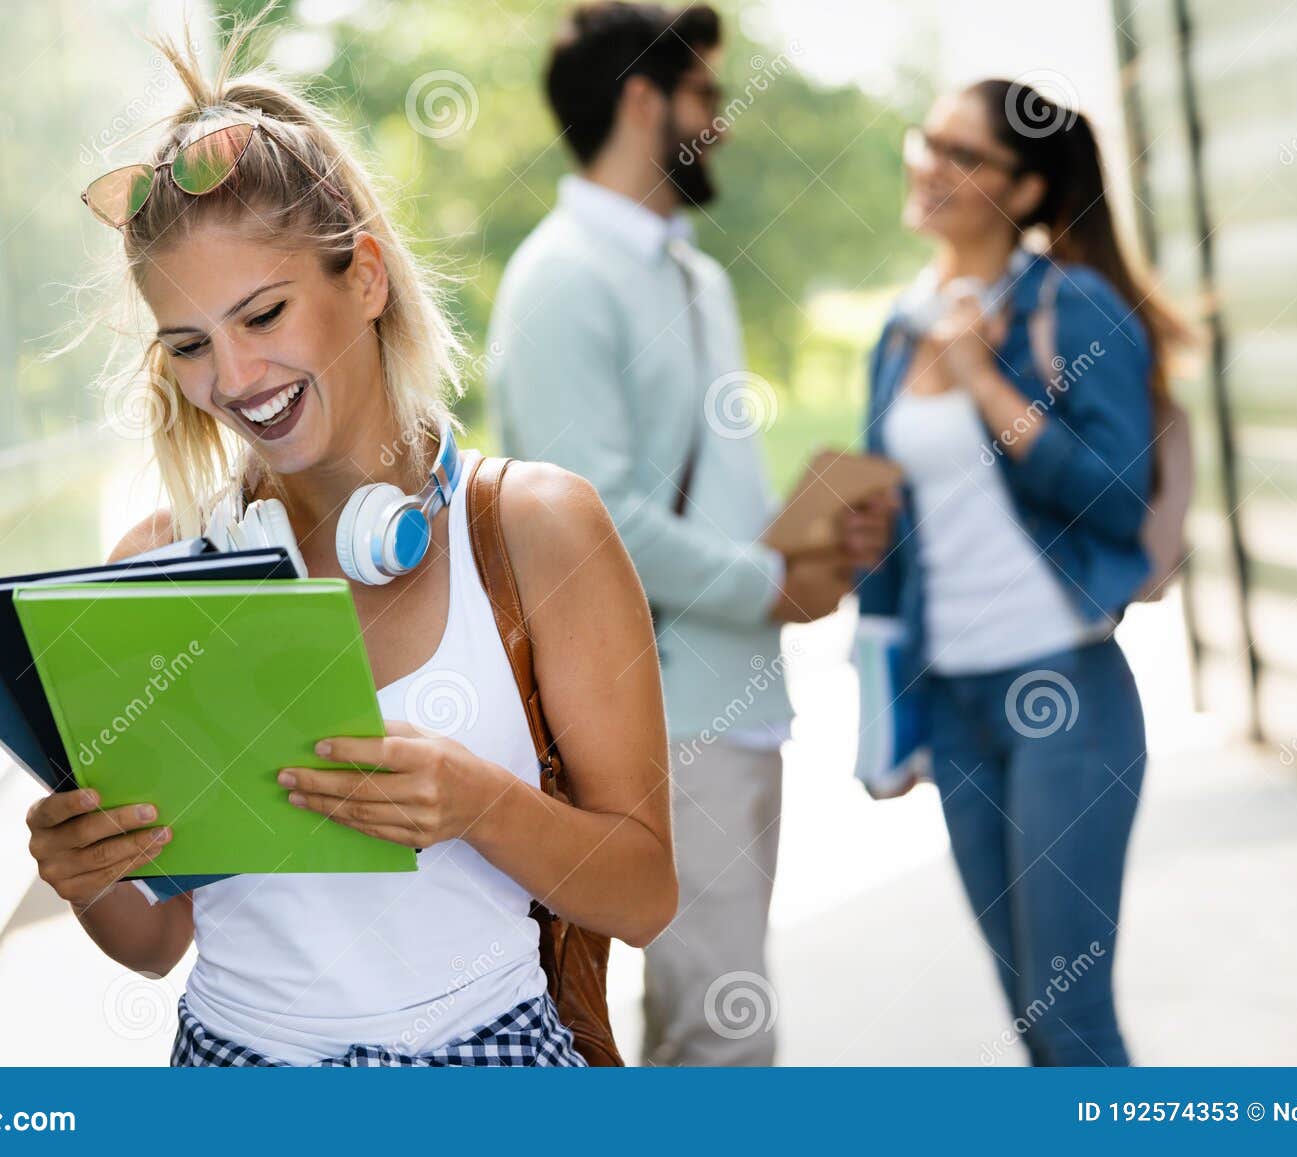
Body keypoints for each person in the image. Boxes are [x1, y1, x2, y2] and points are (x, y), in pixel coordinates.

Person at [24, 17, 676, 1068]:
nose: (234, 378)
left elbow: (644, 894)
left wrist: (481, 804)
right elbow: (154, 941)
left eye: (264, 314)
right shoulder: (154, 567)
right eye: (189, 343)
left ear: (364, 277)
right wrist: (85, 868)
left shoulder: (536, 528)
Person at [488, 2, 875, 1066]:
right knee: (722, 1030)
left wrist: (812, 543)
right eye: (707, 95)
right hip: (658, 715)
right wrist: (764, 582)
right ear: (644, 100)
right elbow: (591, 514)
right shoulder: (562, 277)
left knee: (705, 1018)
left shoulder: (690, 272)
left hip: (733, 706)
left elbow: (690, 491)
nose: (725, 120)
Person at [855, 79, 1189, 1066]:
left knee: (1070, 1014)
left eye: (966, 155)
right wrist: (886, 709)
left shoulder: (1069, 306)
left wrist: (983, 381)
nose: (932, 165)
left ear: (1028, 187)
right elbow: (895, 536)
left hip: (1064, 689)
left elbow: (1112, 497)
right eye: (931, 141)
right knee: (1028, 1019)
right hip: (953, 698)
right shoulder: (896, 327)